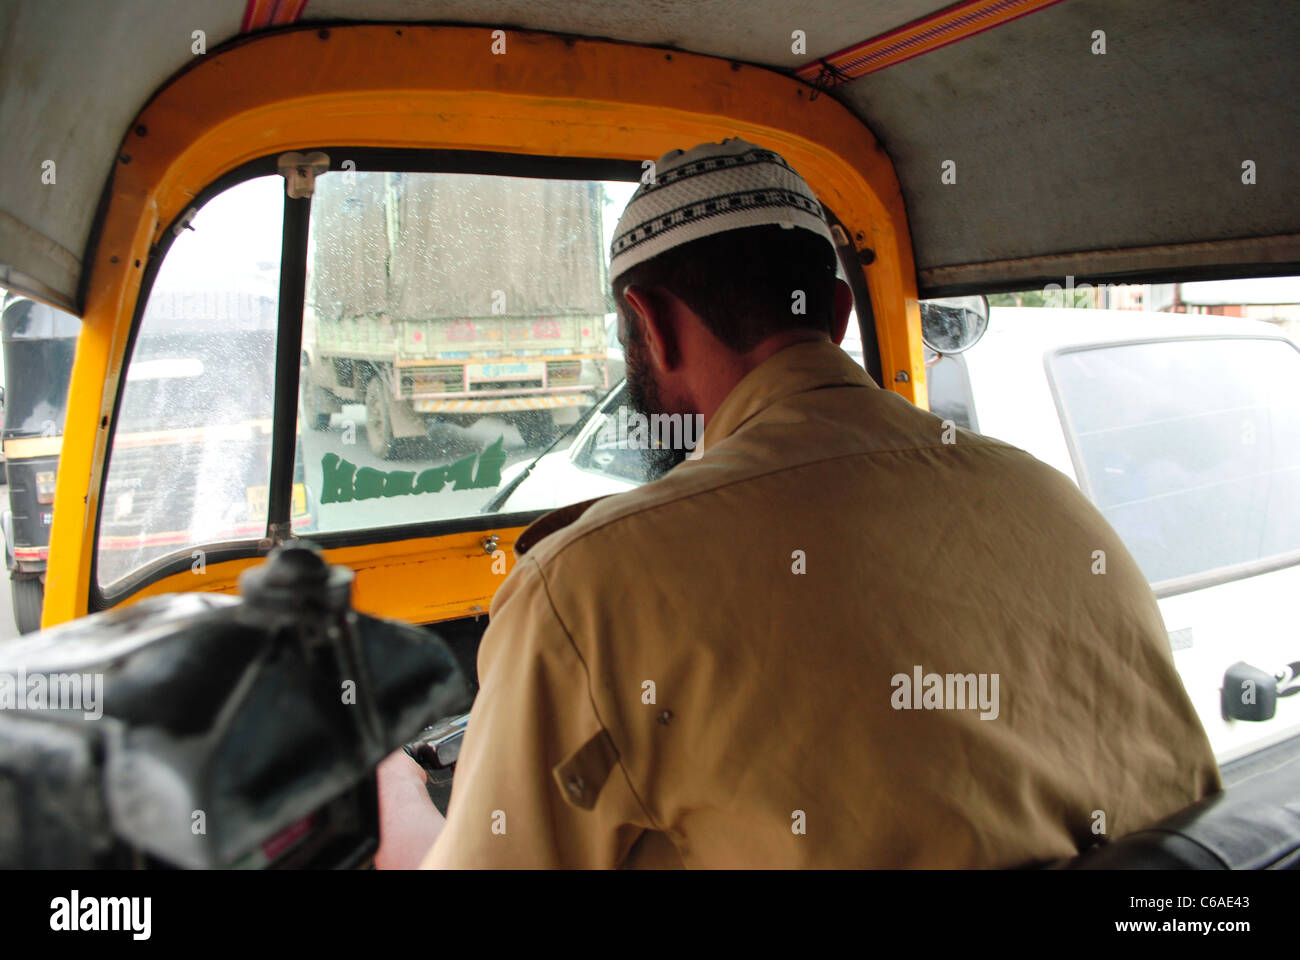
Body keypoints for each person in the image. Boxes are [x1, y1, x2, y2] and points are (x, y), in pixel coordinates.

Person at [376, 137, 1220, 868]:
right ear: (842, 315)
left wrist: (396, 795)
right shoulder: (1051, 501)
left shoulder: (589, 589)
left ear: (652, 324)